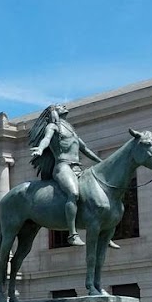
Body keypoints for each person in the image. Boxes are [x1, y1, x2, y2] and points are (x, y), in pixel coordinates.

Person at [28, 104, 119, 248]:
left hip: (77, 168)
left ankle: (105, 233)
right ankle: (72, 234)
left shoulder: (71, 130)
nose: (63, 106)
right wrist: (40, 149)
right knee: (73, 193)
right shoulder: (53, 127)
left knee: (95, 195)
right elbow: (46, 139)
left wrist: (102, 162)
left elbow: (86, 149)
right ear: (54, 112)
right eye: (59, 106)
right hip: (63, 167)